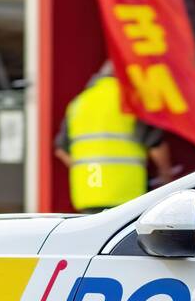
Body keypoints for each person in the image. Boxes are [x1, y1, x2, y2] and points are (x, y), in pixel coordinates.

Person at [54, 61, 173, 212]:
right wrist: (166, 177)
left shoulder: (79, 102)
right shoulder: (130, 100)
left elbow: (61, 150)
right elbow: (155, 144)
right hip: (126, 193)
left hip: (88, 194)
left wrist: (89, 167)